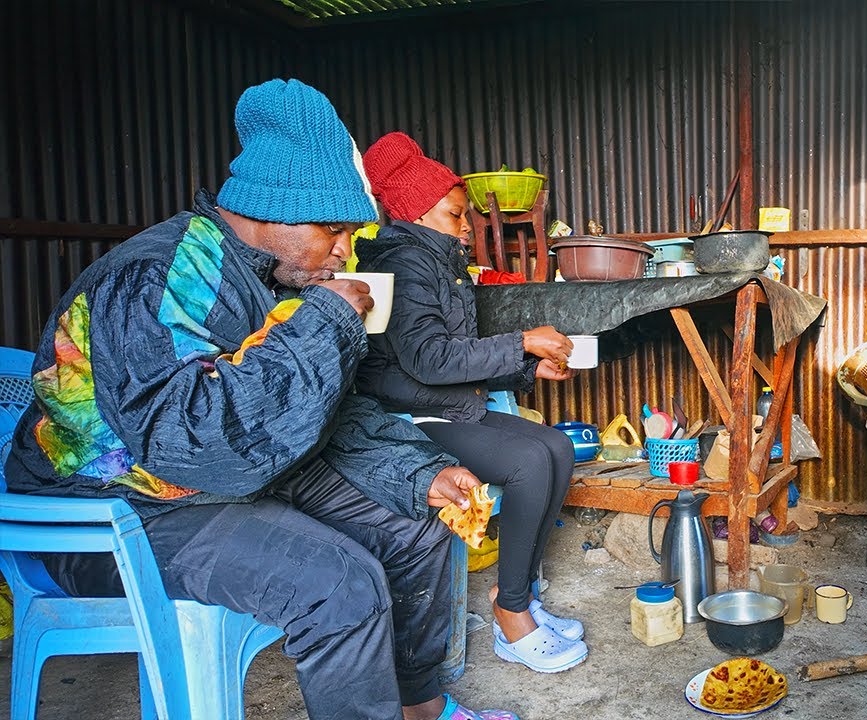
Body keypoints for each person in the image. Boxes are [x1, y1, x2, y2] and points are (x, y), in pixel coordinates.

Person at [2, 79, 517, 720]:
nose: (343, 251)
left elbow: (328, 408)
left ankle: (421, 709)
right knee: (338, 584)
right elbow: (196, 444)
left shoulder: (268, 275)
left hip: (224, 480)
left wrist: (419, 470)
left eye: (350, 233)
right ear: (269, 211)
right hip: (117, 508)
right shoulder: (158, 278)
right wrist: (325, 321)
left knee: (418, 529)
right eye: (331, 230)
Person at [357, 132, 587, 673]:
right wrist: (524, 341)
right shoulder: (407, 265)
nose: (465, 228)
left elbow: (457, 354)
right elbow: (430, 360)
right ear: (416, 214)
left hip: (445, 405)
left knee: (556, 447)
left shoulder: (437, 264)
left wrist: (529, 366)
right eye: (455, 216)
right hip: (408, 416)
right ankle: (511, 616)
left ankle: (521, 597)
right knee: (530, 461)